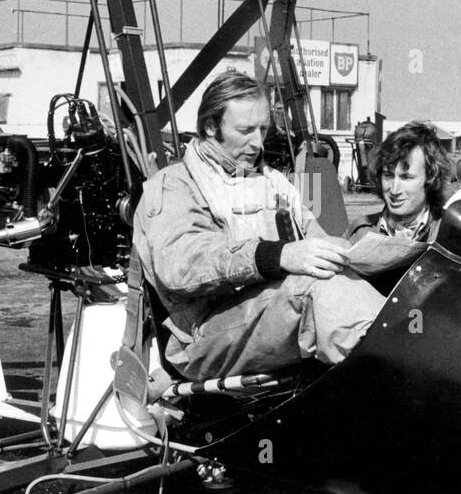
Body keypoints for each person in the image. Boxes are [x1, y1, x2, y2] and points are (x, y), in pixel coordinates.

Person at [132, 72, 387, 381]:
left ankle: (397, 354)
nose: (257, 142)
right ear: (211, 126)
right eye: (245, 130)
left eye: (263, 129)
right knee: (314, 287)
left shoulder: (274, 183)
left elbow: (313, 241)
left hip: (264, 313)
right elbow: (180, 264)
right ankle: (388, 368)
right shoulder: (174, 186)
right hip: (203, 334)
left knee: (349, 277)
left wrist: (352, 252)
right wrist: (275, 256)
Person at [348, 121, 456, 243]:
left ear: (431, 179)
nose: (394, 190)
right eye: (388, 175)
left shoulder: (451, 234)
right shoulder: (361, 233)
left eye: (406, 177)